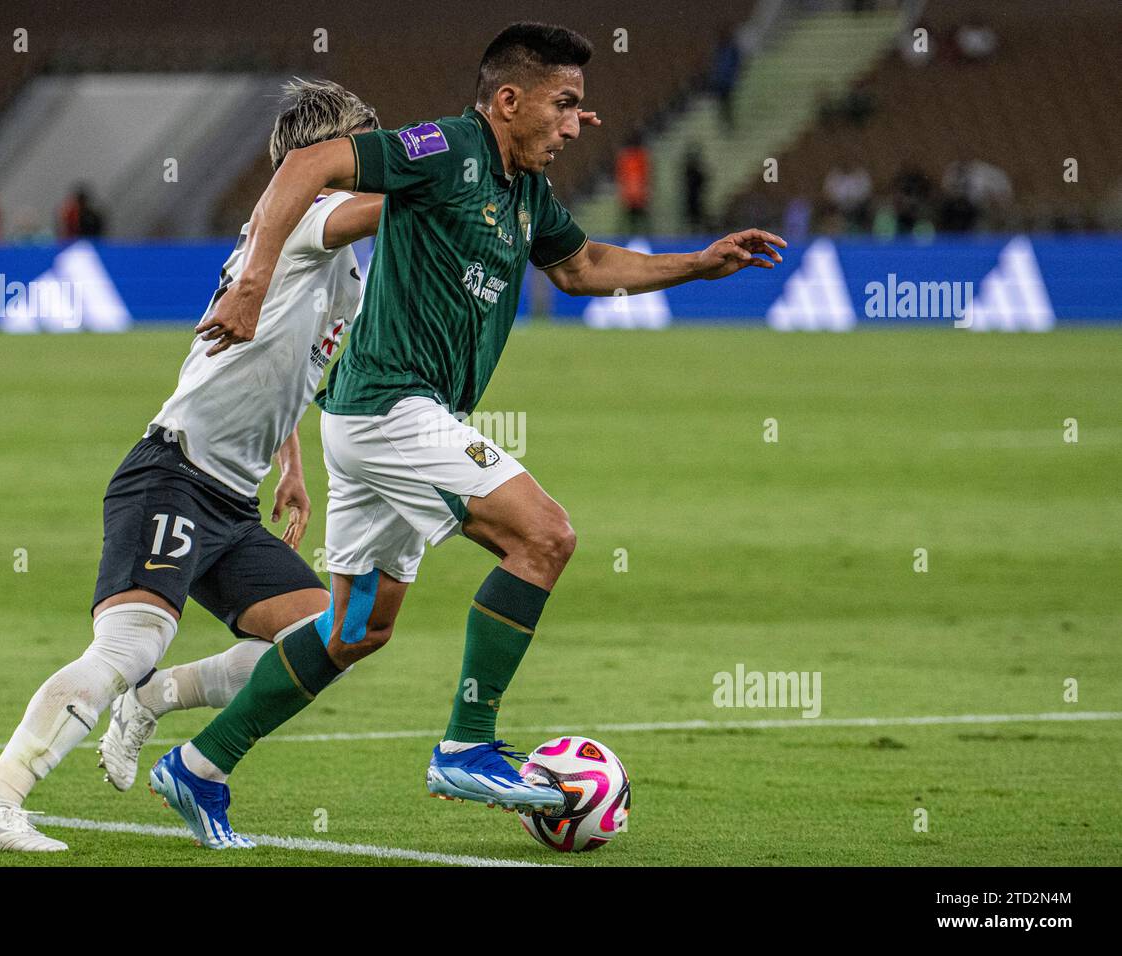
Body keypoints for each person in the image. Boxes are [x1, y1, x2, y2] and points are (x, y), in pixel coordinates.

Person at [164, 21, 785, 847]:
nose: (575, 125)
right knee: (547, 536)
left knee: (356, 630)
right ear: (506, 100)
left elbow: (580, 267)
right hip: (392, 406)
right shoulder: (444, 149)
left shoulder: (525, 191)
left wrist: (697, 264)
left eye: (579, 108)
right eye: (563, 106)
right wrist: (251, 285)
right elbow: (309, 163)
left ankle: (199, 767)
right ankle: (466, 743)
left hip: (380, 417)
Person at [0, 78, 384, 852]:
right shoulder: (312, 217)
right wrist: (460, 170)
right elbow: (398, 202)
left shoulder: (337, 259)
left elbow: (283, 358)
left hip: (231, 500)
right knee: (126, 646)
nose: (376, 159)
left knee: (329, 634)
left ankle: (156, 699)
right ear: (323, 158)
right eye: (362, 145)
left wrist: (290, 462)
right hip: (174, 475)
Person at [614, 132, 651, 234]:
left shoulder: (639, 157)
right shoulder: (628, 158)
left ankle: (642, 234)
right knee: (631, 218)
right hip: (632, 195)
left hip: (637, 195)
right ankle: (628, 235)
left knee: (639, 218)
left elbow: (646, 175)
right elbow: (621, 176)